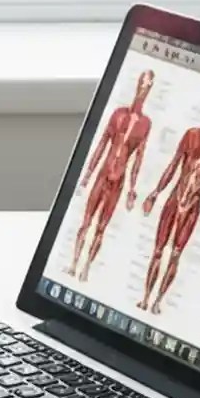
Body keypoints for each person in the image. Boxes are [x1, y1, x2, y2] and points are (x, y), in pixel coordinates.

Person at [136, 91, 200, 314]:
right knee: (158, 250)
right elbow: (174, 164)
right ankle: (145, 298)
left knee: (176, 254)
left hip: (193, 205)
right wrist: (155, 193)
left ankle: (158, 300)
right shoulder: (192, 134)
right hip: (175, 197)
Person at [65, 70, 155, 281]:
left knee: (101, 229)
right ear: (137, 84)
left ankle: (86, 267)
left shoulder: (145, 124)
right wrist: (87, 174)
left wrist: (132, 188)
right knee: (86, 222)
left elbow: (138, 159)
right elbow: (102, 144)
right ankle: (73, 263)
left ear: (150, 89)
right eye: (142, 82)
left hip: (118, 180)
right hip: (102, 174)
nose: (143, 88)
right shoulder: (118, 114)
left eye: (148, 85)